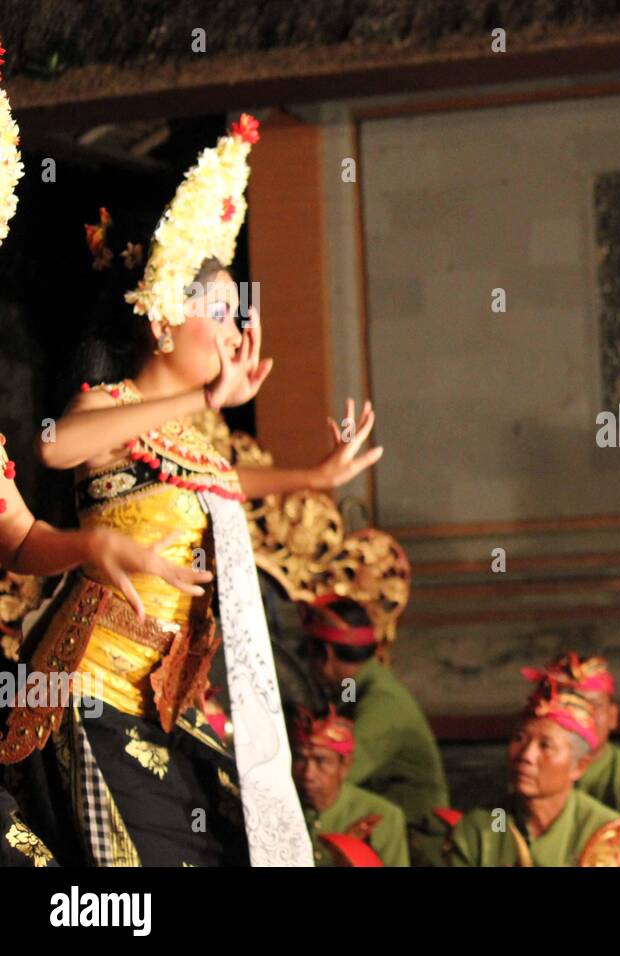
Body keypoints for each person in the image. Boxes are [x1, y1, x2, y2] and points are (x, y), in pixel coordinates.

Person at [1, 115, 380, 866]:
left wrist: (314, 475)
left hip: (160, 700)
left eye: (241, 313)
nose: (239, 330)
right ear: (164, 319)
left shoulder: (191, 443)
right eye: (221, 311)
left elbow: (216, 482)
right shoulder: (106, 407)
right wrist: (200, 404)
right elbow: (57, 445)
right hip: (87, 690)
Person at [301, 594, 449, 866]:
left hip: (414, 843)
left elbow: (331, 778)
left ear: (325, 654)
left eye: (307, 654)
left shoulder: (382, 702)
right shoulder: (354, 694)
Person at [446, 678, 620, 866]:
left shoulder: (611, 837)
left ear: (579, 766)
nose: (526, 755)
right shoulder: (477, 830)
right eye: (519, 739)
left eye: (545, 745)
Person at [521, 652, 620, 815]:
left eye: (593, 706)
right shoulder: (528, 770)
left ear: (612, 716)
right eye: (565, 703)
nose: (579, 715)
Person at [292, 709, 409, 867]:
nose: (308, 773)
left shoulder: (383, 815)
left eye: (321, 761)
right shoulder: (278, 809)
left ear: (345, 766)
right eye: (300, 759)